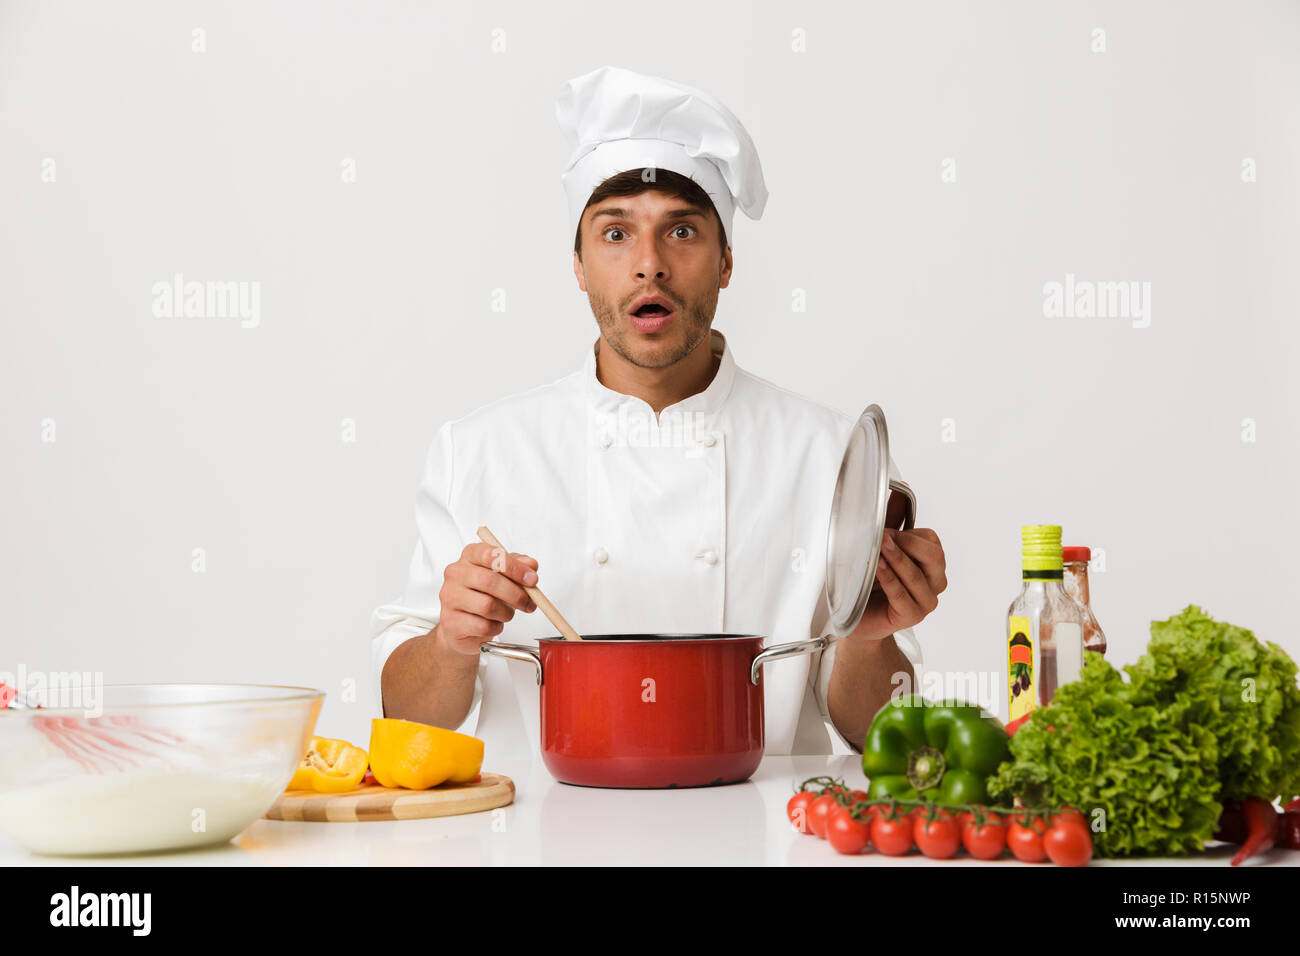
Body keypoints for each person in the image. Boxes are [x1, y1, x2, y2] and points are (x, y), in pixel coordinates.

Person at [370, 65, 947, 758]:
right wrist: (451, 640)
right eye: (615, 234)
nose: (649, 265)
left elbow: (880, 736)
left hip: (763, 845)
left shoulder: (828, 455)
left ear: (727, 261)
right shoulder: (481, 450)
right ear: (578, 265)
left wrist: (866, 637)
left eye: (681, 232)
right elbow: (407, 721)